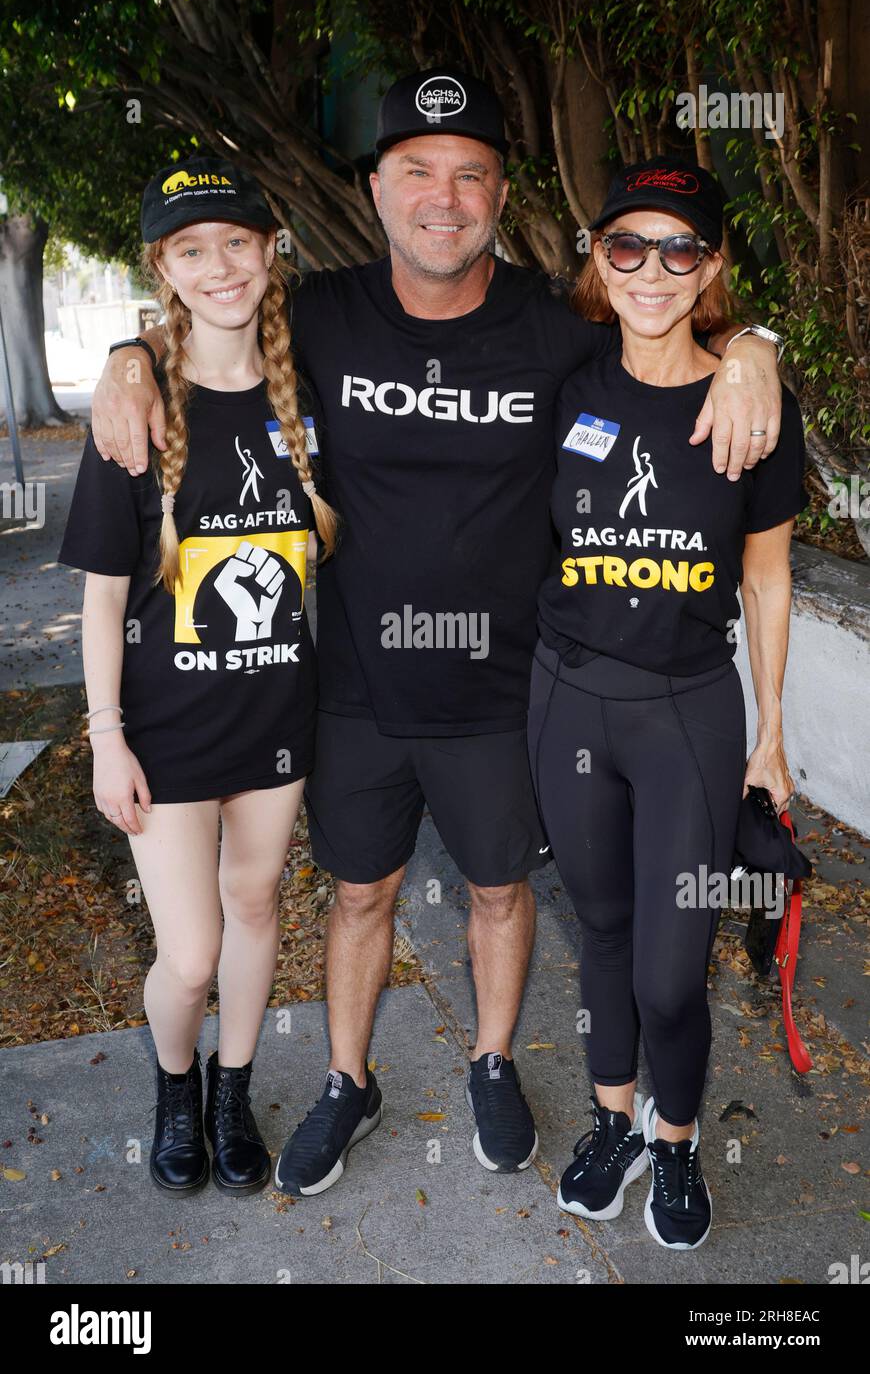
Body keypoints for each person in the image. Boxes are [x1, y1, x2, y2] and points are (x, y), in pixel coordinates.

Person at [87, 68, 785, 1196]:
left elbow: (674, 344)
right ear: (375, 189)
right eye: (417, 169)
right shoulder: (316, 317)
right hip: (354, 692)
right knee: (358, 894)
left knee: (502, 893)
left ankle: (493, 1059)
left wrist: (757, 341)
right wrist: (128, 358)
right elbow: (210, 330)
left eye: (471, 173)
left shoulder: (558, 336)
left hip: (508, 695)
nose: (444, 196)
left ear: (503, 195)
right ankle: (347, 1081)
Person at [527, 157, 808, 1249]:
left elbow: (770, 576)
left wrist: (774, 733)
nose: (653, 269)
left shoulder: (751, 401)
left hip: (689, 711)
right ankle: (614, 1124)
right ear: (597, 260)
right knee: (598, 927)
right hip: (567, 701)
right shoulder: (567, 371)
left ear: (715, 267)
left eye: (682, 246)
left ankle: (678, 1136)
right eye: (627, 245)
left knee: (669, 969)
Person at [58, 156, 336, 1195]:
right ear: (162, 270)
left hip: (276, 716)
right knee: (189, 956)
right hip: (165, 731)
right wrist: (107, 735)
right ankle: (175, 1085)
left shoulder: (308, 390)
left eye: (235, 241)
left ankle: (232, 1092)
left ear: (270, 251)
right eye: (190, 250)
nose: (218, 265)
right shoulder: (135, 413)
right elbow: (97, 598)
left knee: (258, 906)